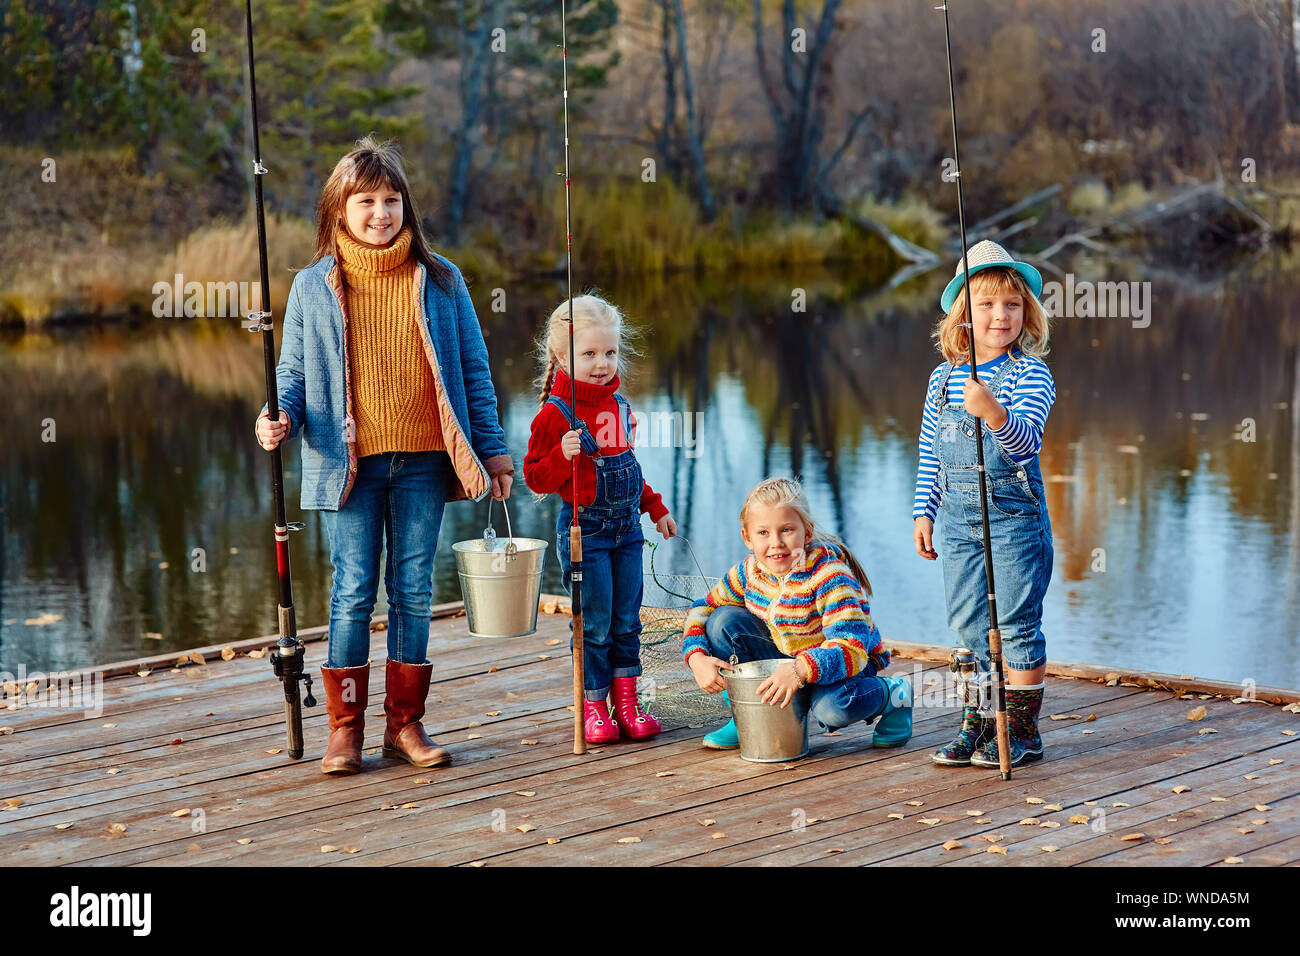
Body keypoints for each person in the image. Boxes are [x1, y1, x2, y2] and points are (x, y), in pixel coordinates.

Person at [254, 135, 514, 775]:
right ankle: (345, 729)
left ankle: (405, 725)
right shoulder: (314, 287)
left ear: (407, 206)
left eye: (391, 199)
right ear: (338, 210)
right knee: (351, 594)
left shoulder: (442, 278)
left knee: (414, 592)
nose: (380, 213)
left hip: (425, 460)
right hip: (351, 468)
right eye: (365, 201)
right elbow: (290, 374)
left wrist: (495, 451)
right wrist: (275, 414)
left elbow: (475, 372)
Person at [912, 239, 1055, 768]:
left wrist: (992, 410)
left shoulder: (1029, 375)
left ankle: (1020, 730)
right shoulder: (943, 377)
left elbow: (1025, 444)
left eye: (1012, 305)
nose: (1000, 315)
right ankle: (978, 721)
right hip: (956, 520)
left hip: (1013, 520)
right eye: (987, 304)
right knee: (969, 627)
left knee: (1016, 626)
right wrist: (923, 512)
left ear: (1027, 313)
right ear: (962, 315)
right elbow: (931, 452)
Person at [523, 294, 677, 744]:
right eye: (588, 354)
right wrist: (560, 454)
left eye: (608, 352)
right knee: (594, 623)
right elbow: (535, 478)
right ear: (561, 356)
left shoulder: (619, 406)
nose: (601, 363)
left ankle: (626, 703)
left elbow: (628, 468)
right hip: (584, 533)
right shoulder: (554, 415)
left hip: (628, 530)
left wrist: (655, 507)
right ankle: (594, 706)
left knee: (628, 620)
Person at [682, 477, 911, 751]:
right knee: (722, 620)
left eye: (787, 530)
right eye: (763, 533)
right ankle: (744, 716)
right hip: (787, 658)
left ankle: (894, 695)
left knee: (833, 709)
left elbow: (852, 649)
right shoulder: (749, 572)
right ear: (747, 537)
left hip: (844, 661)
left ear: (807, 532)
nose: (776, 543)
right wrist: (696, 658)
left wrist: (799, 670)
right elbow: (703, 608)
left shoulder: (829, 576)